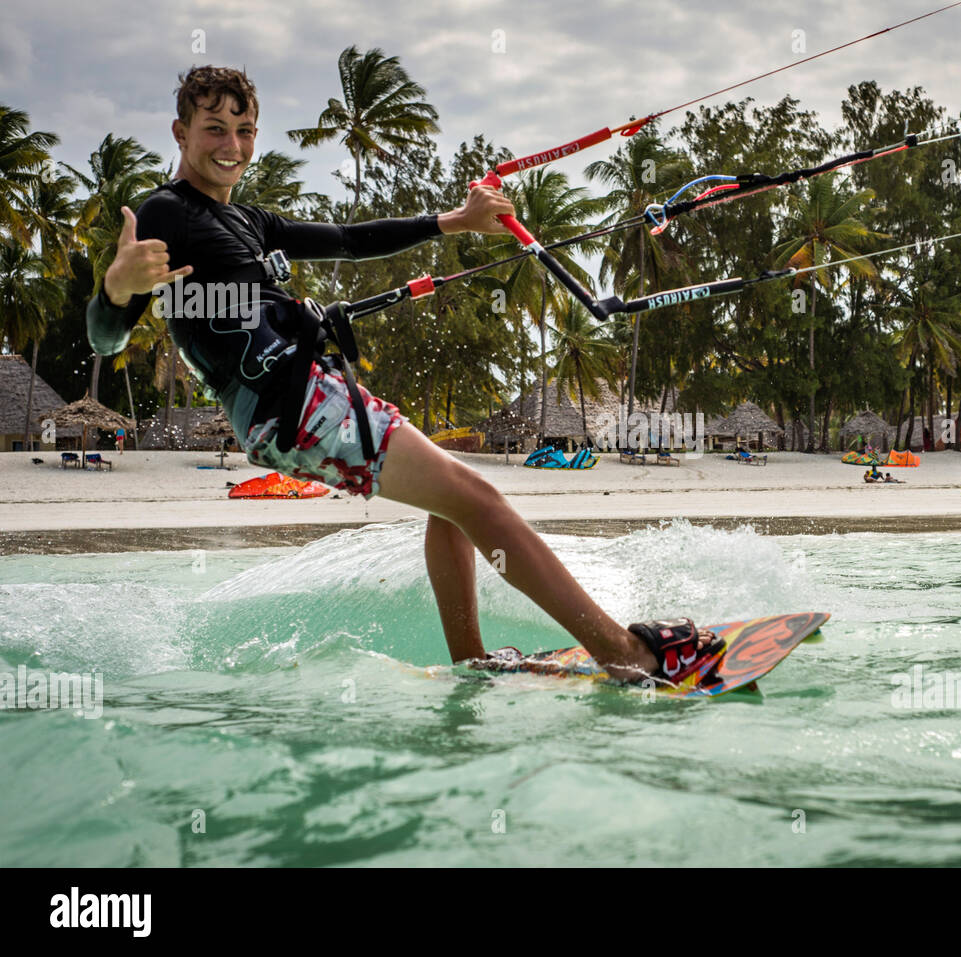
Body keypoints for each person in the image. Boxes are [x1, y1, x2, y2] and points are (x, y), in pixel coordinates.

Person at [84, 66, 719, 685]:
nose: (232, 146)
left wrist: (454, 221)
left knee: (456, 503)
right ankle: (622, 654)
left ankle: (470, 658)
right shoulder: (165, 214)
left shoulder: (249, 222)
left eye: (245, 130)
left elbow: (350, 238)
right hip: (293, 405)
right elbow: (104, 337)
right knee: (480, 501)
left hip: (309, 396)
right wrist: (117, 291)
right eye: (215, 129)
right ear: (180, 132)